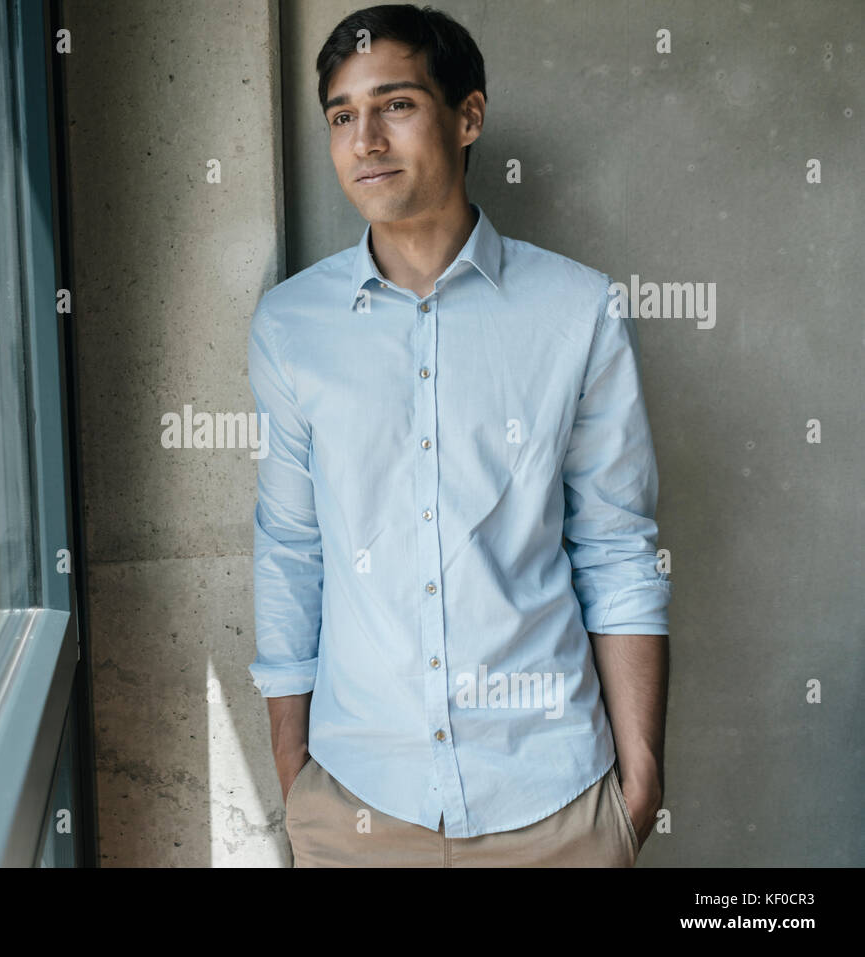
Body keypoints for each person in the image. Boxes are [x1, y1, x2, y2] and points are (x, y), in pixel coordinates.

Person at [247, 4, 671, 867]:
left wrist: (639, 784)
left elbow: (617, 547)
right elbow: (290, 549)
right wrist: (296, 779)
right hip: (358, 802)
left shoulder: (576, 310)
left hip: (553, 801)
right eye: (341, 115)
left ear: (468, 116)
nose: (364, 138)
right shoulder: (291, 325)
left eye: (395, 104)